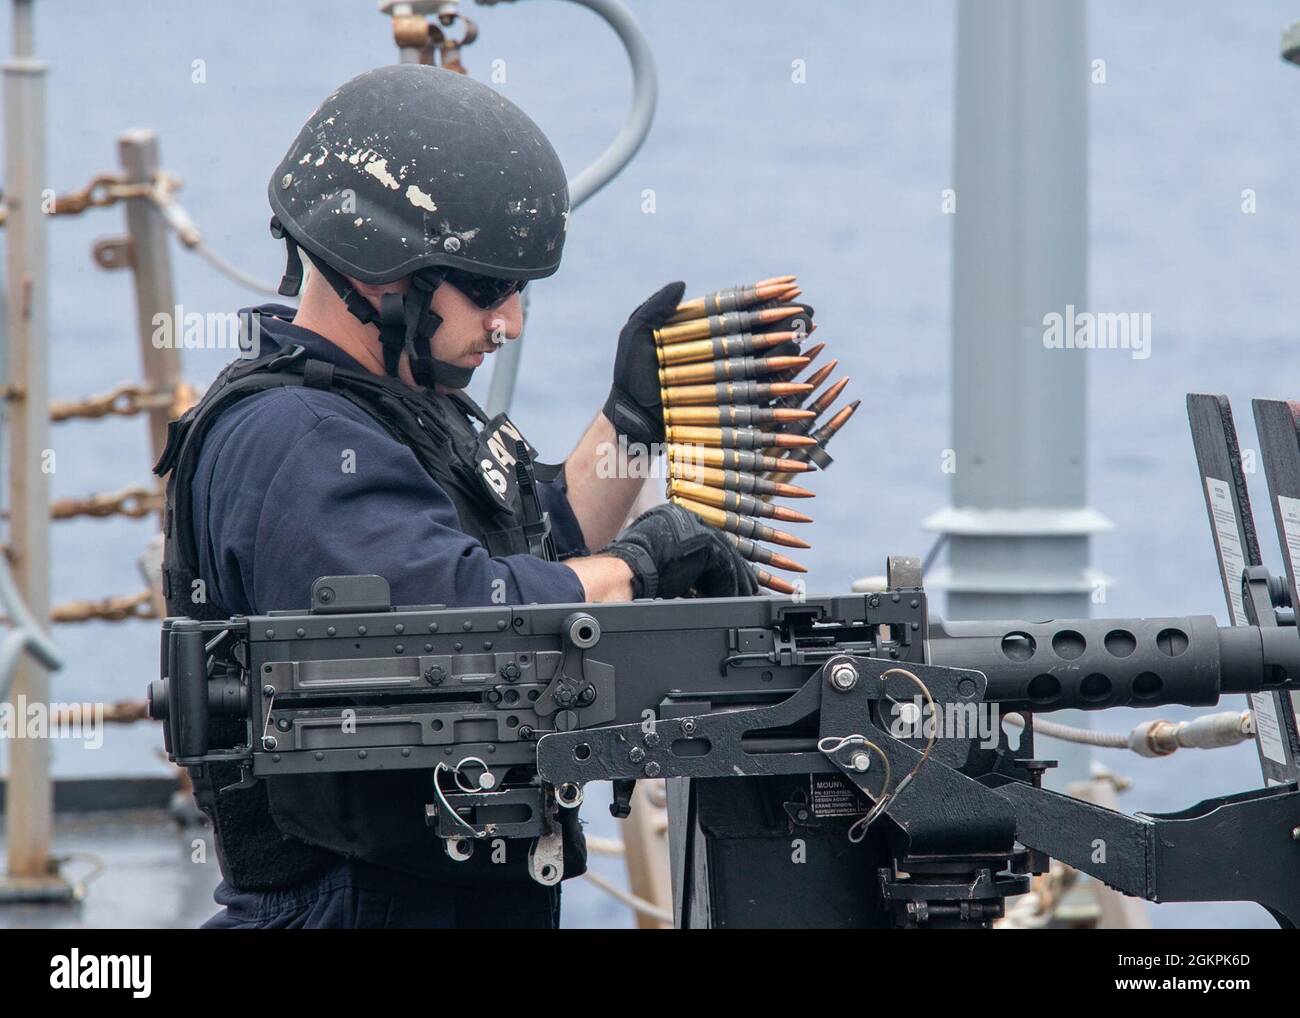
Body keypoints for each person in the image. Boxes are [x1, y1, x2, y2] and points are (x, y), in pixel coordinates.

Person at [154, 63, 757, 929]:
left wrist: (630, 424)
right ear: (380, 269)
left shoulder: (394, 410)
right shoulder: (298, 439)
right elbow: (463, 615)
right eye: (483, 288)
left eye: (518, 291)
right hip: (354, 907)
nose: (509, 321)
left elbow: (527, 554)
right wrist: (636, 570)